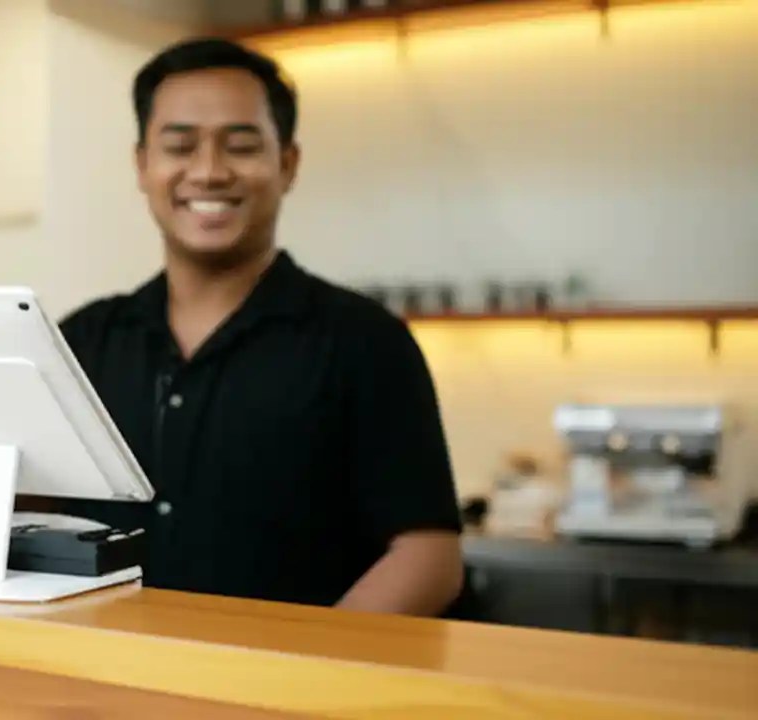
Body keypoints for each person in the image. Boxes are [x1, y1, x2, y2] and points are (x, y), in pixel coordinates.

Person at [55, 37, 465, 616]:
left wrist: (303, 682)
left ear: (288, 164)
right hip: (102, 692)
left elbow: (428, 556)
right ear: (143, 165)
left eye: (241, 146)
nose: (209, 171)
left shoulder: (365, 342)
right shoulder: (82, 341)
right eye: (180, 145)